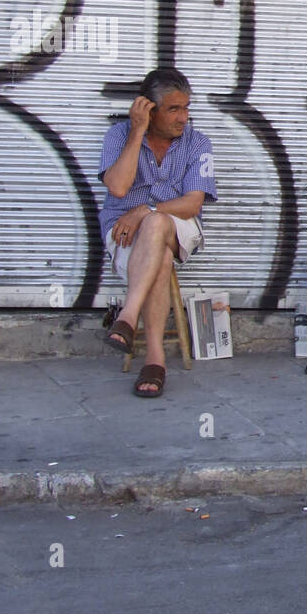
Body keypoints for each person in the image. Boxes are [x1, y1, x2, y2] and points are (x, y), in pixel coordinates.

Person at [100, 68, 217, 397]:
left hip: (179, 225)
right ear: (148, 109)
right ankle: (155, 359)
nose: (184, 117)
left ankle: (128, 315)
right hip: (123, 232)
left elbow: (192, 204)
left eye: (186, 107)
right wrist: (137, 133)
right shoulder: (119, 135)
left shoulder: (198, 142)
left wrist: (146, 211)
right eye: (174, 109)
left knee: (155, 223)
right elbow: (119, 187)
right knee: (160, 256)